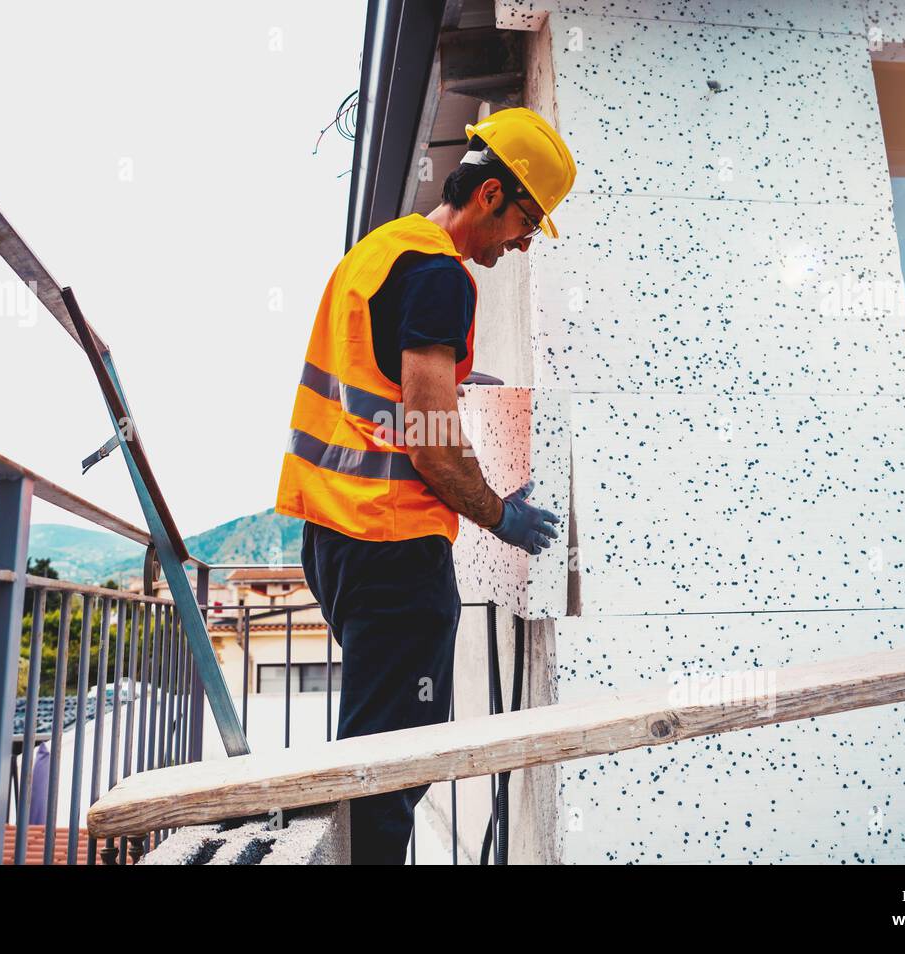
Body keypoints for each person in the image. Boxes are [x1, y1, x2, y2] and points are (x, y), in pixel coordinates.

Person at [275, 107, 577, 864]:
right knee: (391, 767)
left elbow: (387, 384)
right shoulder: (441, 277)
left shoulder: (384, 250)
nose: (525, 240)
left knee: (371, 745)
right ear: (491, 197)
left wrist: (459, 380)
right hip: (394, 552)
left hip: (336, 539)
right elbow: (431, 438)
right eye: (528, 220)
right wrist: (496, 513)